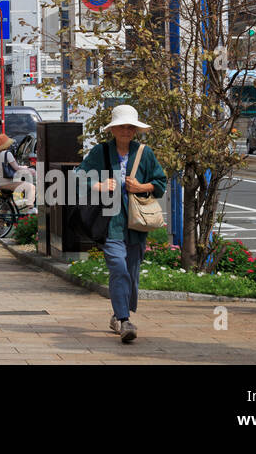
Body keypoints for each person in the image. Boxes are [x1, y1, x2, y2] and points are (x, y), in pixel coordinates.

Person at [78, 105, 167, 344]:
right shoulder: (101, 152)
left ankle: (118, 315)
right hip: (111, 223)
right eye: (122, 126)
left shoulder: (144, 153)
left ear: (136, 130)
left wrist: (142, 187)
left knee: (132, 273)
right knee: (118, 267)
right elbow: (79, 176)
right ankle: (124, 319)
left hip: (137, 224)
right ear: (113, 129)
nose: (126, 131)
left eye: (130, 127)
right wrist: (98, 185)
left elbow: (160, 182)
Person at [0, 133, 37, 214]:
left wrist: (24, 167)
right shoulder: (7, 154)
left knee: (6, 205)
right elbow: (17, 168)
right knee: (30, 187)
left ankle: (0, 225)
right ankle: (31, 208)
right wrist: (29, 170)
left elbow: (14, 166)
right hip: (8, 183)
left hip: (0, 183)